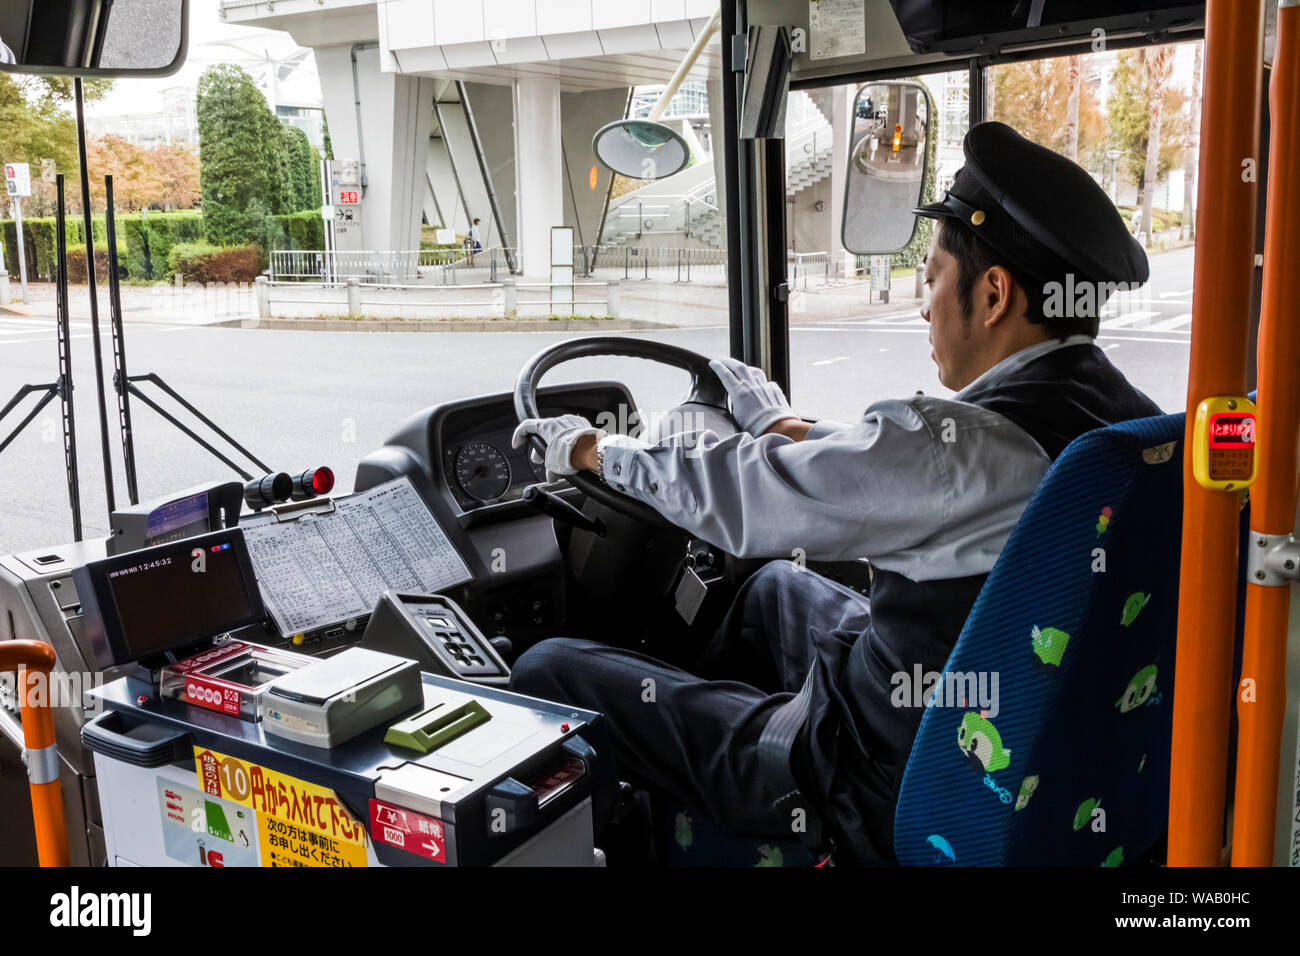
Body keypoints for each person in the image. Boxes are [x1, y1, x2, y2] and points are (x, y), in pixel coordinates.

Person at [509, 122, 1162, 864]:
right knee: (772, 588)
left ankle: (743, 783)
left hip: (878, 775)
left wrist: (595, 450)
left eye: (933, 279)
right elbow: (886, 473)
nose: (924, 306)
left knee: (548, 667)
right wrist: (780, 422)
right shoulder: (1125, 419)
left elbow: (747, 498)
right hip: (1019, 729)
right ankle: (724, 746)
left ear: (992, 293)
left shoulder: (962, 445)